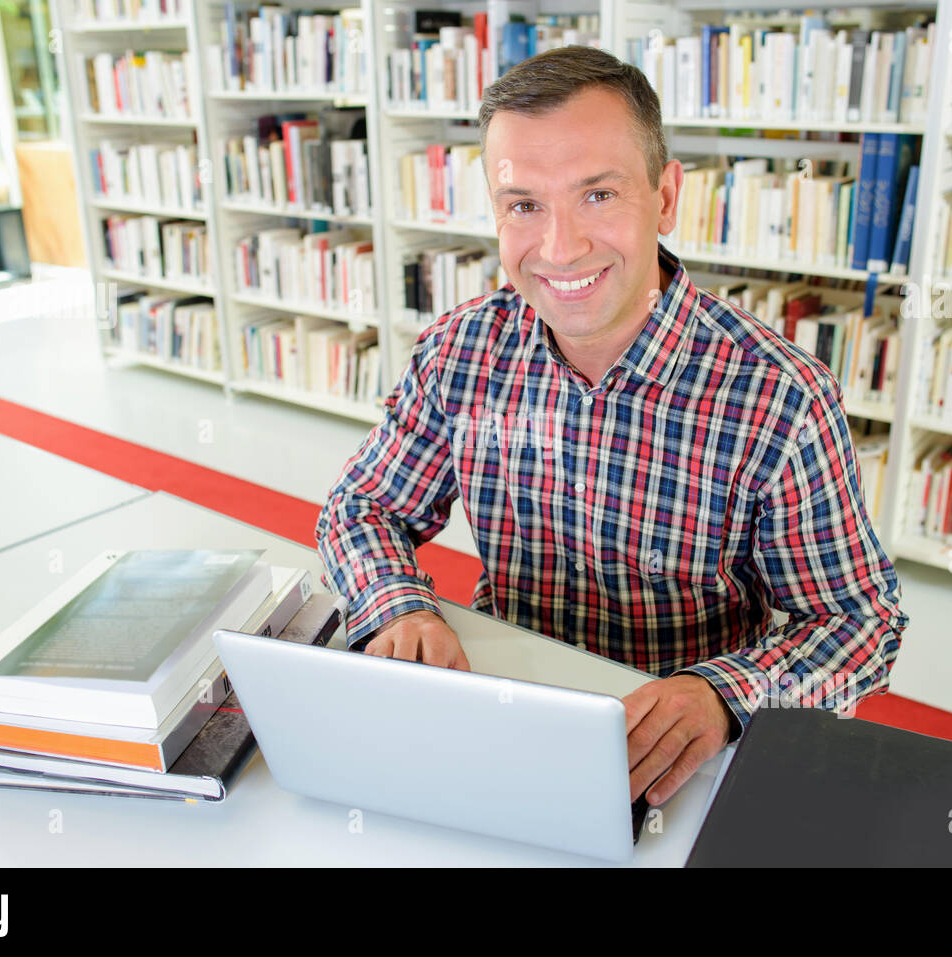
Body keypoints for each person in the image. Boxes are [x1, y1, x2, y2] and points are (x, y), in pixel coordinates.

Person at [316, 45, 908, 807]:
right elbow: (361, 508)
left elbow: (859, 622)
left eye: (598, 195)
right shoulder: (462, 349)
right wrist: (396, 600)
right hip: (505, 722)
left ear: (665, 198)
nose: (560, 248)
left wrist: (727, 694)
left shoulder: (781, 398)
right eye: (524, 204)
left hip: (680, 759)